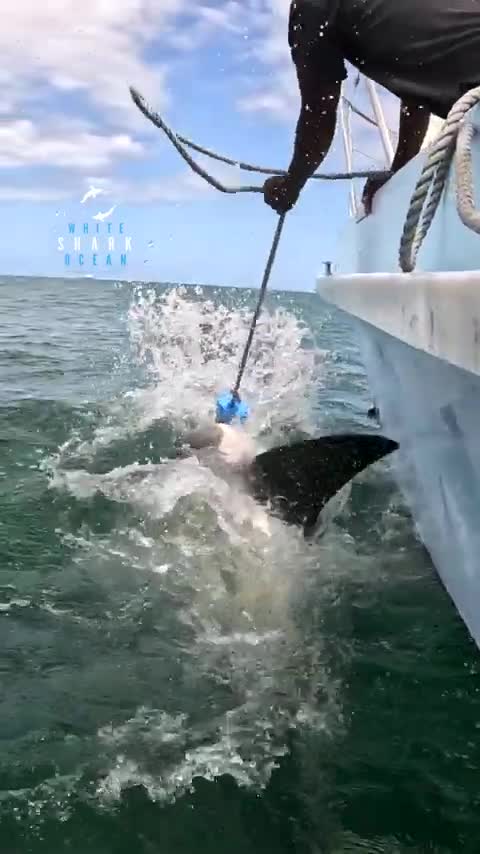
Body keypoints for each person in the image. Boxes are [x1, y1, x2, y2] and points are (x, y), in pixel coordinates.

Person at [263, 0, 480, 216]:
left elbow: (318, 121)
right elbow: (418, 88)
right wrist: (399, 172)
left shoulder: (311, 7)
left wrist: (290, 186)